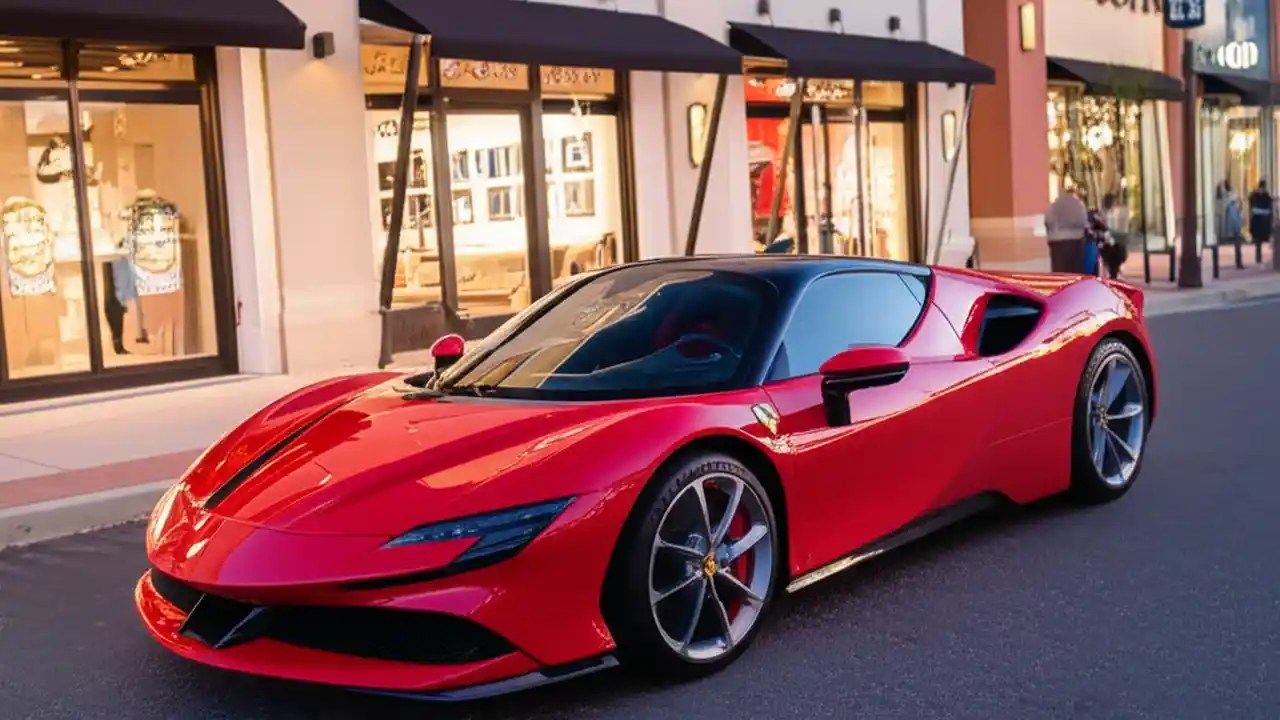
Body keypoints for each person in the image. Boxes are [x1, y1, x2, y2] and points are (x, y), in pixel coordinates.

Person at [1045, 186, 1088, 273]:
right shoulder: (1078, 204)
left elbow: (1048, 220)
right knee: (1074, 269)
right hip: (1075, 240)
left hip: (1056, 240)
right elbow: (1084, 221)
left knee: (1059, 270)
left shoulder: (1055, 204)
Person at [1249, 180, 1273, 259]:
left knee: (1260, 240)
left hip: (1260, 221)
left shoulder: (1265, 196)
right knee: (1258, 240)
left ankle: (1258, 257)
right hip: (1260, 222)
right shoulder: (1257, 196)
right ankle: (1258, 257)